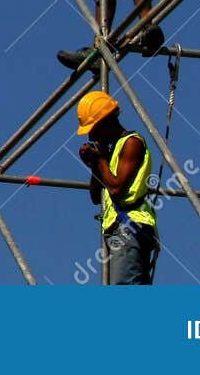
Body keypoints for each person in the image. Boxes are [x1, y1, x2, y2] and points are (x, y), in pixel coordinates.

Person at [75, 90, 159, 285]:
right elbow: (96, 196)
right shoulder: (111, 152)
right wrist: (95, 163)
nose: (91, 134)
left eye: (93, 128)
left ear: (106, 121)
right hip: (118, 229)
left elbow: (115, 188)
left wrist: (100, 159)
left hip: (131, 226)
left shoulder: (131, 143)